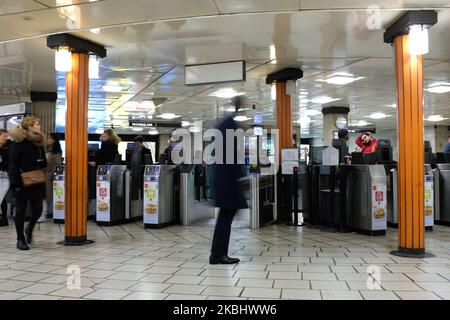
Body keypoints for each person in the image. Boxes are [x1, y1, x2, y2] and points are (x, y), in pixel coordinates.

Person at [210, 97, 247, 265]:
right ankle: (218, 254)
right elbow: (231, 157)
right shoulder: (228, 127)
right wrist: (240, 177)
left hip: (225, 181)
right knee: (225, 219)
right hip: (228, 182)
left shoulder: (224, 125)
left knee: (224, 218)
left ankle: (217, 254)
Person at [8, 116, 47, 250]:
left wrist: (41, 161)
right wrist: (15, 183)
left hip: (36, 180)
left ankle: (29, 228)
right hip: (20, 181)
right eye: (37, 124)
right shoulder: (18, 143)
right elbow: (12, 164)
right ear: (30, 127)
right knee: (21, 210)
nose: (39, 126)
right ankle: (20, 239)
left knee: (38, 209)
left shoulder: (38, 142)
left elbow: (44, 163)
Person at [42, 133, 63, 220]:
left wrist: (51, 173)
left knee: (49, 195)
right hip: (44, 176)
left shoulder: (56, 152)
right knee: (45, 194)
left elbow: (58, 165)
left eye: (49, 138)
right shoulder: (47, 150)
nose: (47, 139)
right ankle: (46, 211)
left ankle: (49, 212)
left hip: (50, 177)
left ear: (54, 140)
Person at [0, 129, 11, 227]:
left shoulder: (9, 147)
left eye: (6, 136)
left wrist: (2, 161)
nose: (5, 138)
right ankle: (3, 217)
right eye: (4, 136)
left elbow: (9, 163)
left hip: (5, 175)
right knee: (2, 199)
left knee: (1, 196)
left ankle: (4, 218)